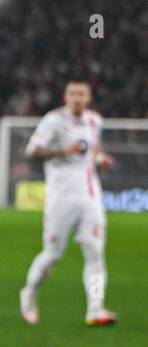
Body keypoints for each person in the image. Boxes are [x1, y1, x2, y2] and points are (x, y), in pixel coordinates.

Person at [20, 80, 117, 326]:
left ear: (88, 97)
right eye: (73, 93)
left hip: (90, 196)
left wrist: (102, 158)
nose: (77, 98)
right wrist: (64, 151)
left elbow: (92, 149)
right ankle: (29, 293)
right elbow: (32, 151)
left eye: (82, 94)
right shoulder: (53, 121)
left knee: (95, 253)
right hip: (60, 197)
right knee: (53, 253)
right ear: (65, 97)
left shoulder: (95, 121)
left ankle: (95, 309)